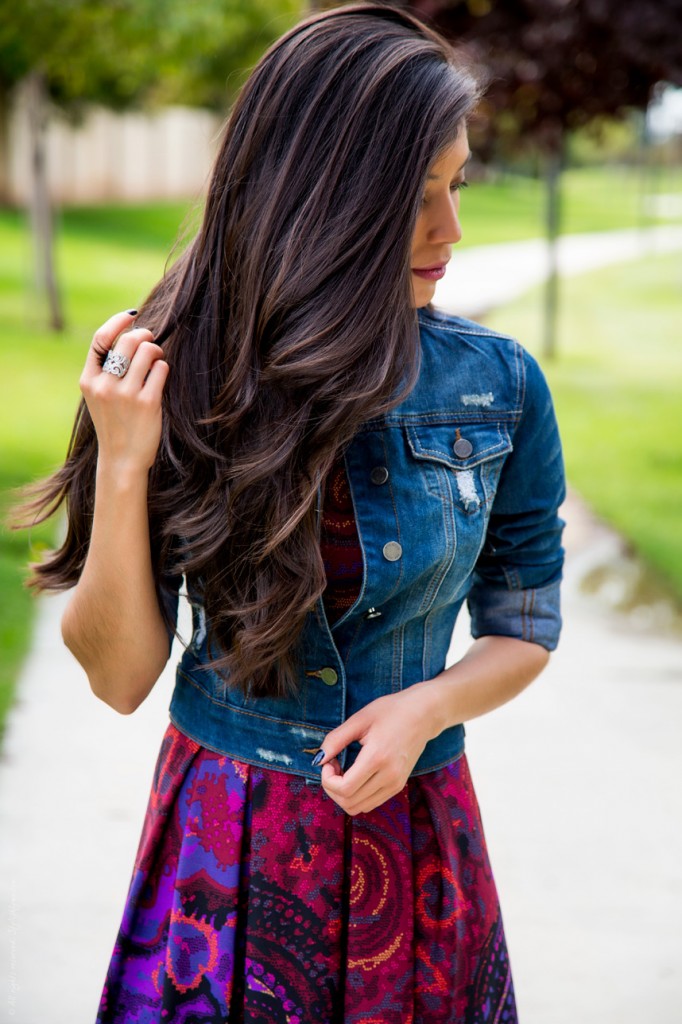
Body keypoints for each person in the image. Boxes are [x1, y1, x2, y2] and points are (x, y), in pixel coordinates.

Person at [13, 3, 565, 1021]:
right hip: (223, 845)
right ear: (326, 194)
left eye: (458, 184)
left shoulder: (499, 387)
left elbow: (526, 624)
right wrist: (126, 463)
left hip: (421, 834)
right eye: (417, 193)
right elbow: (119, 675)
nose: (450, 229)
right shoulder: (174, 373)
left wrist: (427, 707)